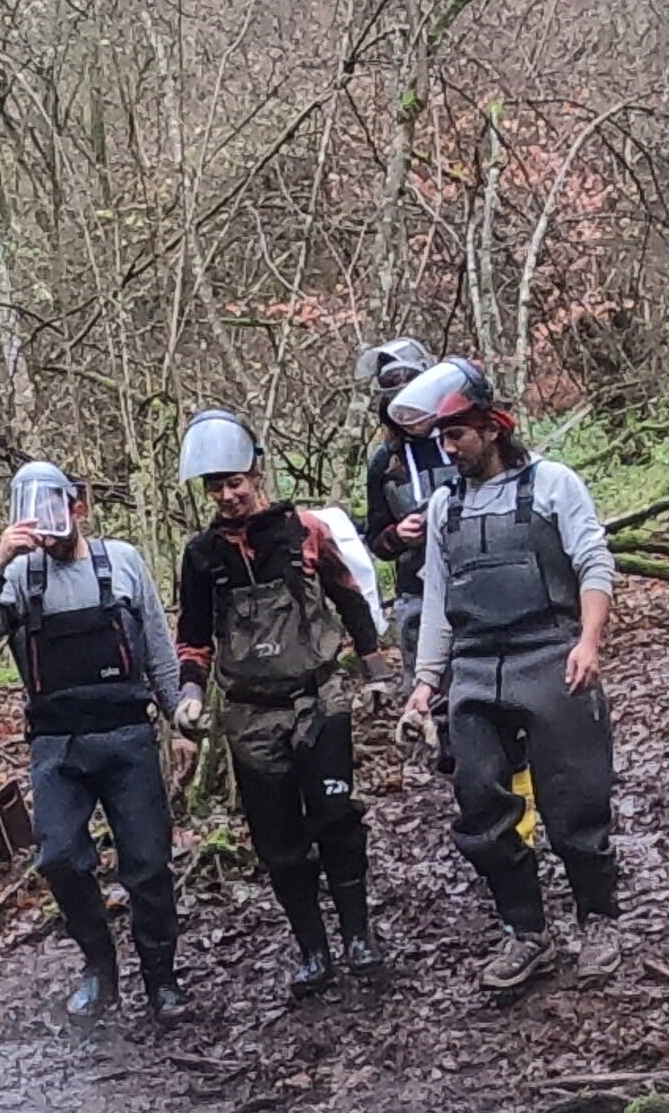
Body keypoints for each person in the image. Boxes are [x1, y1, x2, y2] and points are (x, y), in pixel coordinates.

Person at [388, 356, 621, 996]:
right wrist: (424, 685)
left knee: (574, 801)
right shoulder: (444, 507)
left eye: (458, 434)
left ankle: (598, 920)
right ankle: (526, 931)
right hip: (474, 669)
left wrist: (588, 641)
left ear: (492, 428)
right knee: (482, 809)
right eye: (442, 438)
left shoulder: (553, 485)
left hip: (550, 654)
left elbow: (595, 562)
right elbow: (438, 599)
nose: (449, 448)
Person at [0, 460, 191, 1025]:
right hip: (57, 745)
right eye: (34, 514)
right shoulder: (19, 577)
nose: (47, 525)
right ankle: (99, 968)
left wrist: (180, 723)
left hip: (128, 737)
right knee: (60, 857)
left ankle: (161, 979)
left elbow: (159, 650)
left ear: (77, 508)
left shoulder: (123, 562)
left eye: (56, 510)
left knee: (148, 863)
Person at [172, 410, 381, 1000]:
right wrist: (190, 692)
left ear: (256, 475)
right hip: (250, 715)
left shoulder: (306, 531)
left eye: (235, 482)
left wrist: (377, 671)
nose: (227, 495)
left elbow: (351, 599)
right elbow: (193, 637)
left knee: (336, 819)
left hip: (319, 700)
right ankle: (313, 950)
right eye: (215, 487)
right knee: (278, 839)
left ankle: (358, 936)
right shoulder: (201, 556)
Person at [356, 340, 459, 651]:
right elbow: (376, 540)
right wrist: (398, 535)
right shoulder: (385, 462)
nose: (410, 413)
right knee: (425, 676)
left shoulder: (462, 441)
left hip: (476, 580)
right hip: (418, 590)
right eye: (400, 405)